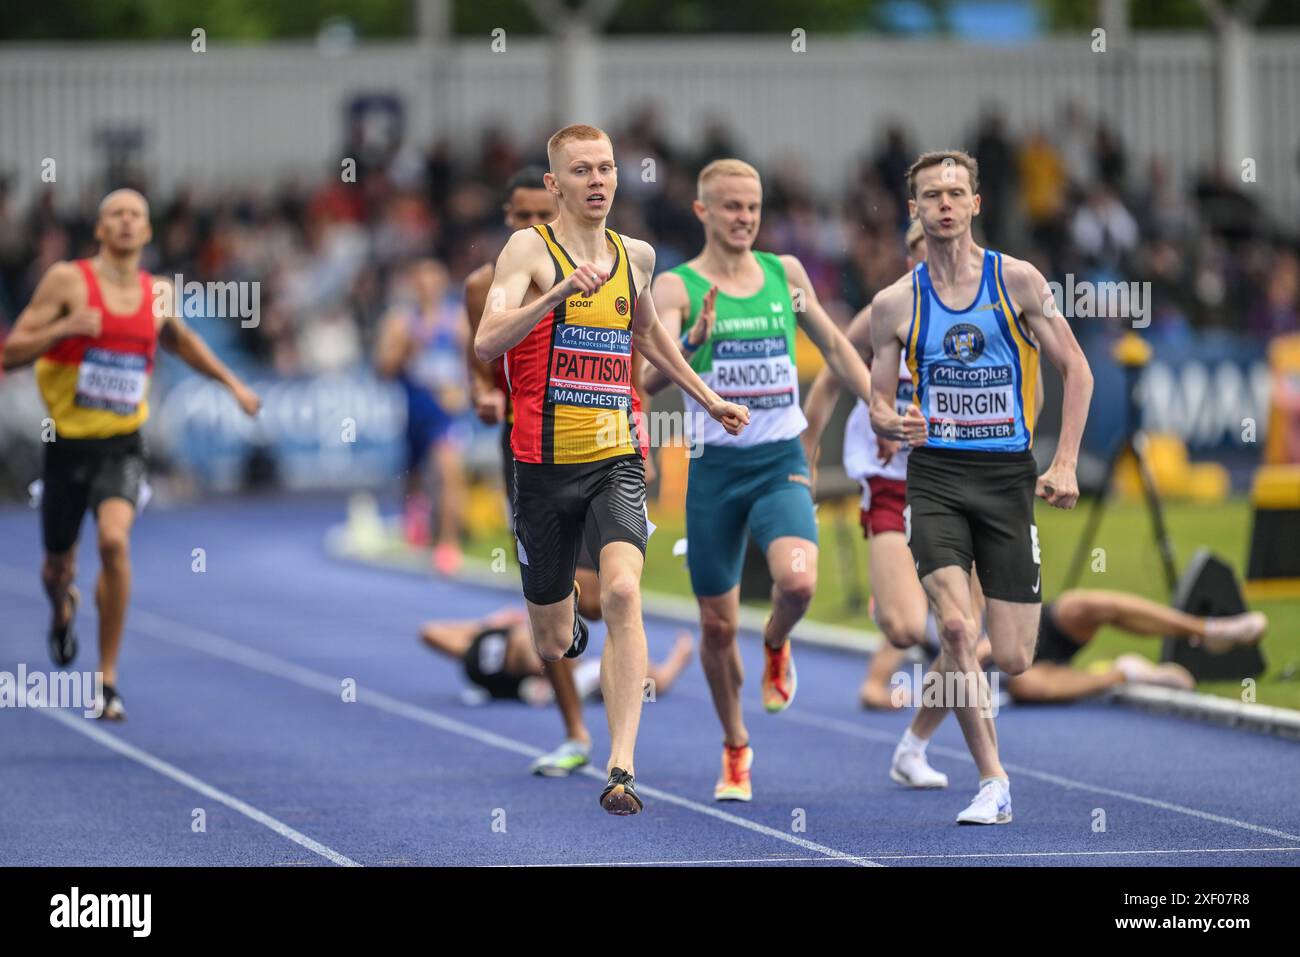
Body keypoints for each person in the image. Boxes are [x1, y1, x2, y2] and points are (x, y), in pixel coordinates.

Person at [474, 124, 749, 814]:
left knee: (625, 592)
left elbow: (649, 334)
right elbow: (487, 341)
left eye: (605, 169)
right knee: (552, 638)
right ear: (554, 184)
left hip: (615, 458)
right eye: (581, 170)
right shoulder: (527, 251)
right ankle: (565, 626)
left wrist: (709, 397)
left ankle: (621, 765)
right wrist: (554, 296)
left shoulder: (638, 257)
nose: (596, 180)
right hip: (540, 465)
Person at [868, 149, 1094, 824]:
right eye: (931, 194)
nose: (944, 203)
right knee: (958, 627)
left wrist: (1067, 463)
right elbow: (877, 402)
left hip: (1006, 478)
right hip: (935, 477)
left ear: (975, 204)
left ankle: (912, 741)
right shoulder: (893, 304)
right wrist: (894, 418)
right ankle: (993, 780)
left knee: (1015, 655)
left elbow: (1076, 371)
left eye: (955, 192)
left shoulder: (1018, 281)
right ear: (914, 209)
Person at [644, 158, 876, 803]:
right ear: (703, 212)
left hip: (778, 462)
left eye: (752, 207)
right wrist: (690, 340)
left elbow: (833, 345)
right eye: (730, 207)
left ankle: (776, 641)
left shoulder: (785, 274)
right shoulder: (676, 288)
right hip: (715, 471)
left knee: (798, 582)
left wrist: (877, 405)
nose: (744, 218)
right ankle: (736, 746)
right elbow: (639, 382)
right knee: (717, 630)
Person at [1, 188, 261, 720]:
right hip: (67, 446)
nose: (124, 222)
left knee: (115, 542)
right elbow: (10, 352)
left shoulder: (158, 292)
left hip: (123, 443)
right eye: (114, 214)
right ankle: (61, 607)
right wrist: (62, 329)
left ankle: (108, 680)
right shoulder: (68, 281)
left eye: (135, 215)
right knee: (56, 569)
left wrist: (233, 385)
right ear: (99, 229)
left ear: (146, 232)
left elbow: (183, 341)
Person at [464, 167, 659, 778]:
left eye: (536, 216)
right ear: (508, 220)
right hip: (529, 446)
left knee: (611, 595)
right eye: (518, 219)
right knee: (553, 624)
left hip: (603, 441)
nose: (530, 229)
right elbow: (479, 359)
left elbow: (628, 348)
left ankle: (619, 750)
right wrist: (484, 395)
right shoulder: (486, 282)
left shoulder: (610, 262)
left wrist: (642, 409)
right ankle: (575, 727)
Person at [418, 608, 694, 763]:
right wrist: (485, 624)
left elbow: (430, 632)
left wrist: (488, 623)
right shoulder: (483, 661)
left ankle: (676, 659)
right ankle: (679, 657)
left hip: (545, 655)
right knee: (638, 675)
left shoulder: (494, 638)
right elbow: (429, 632)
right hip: (554, 672)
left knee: (638, 672)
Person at [374, 258, 468, 573]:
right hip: (414, 409)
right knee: (412, 475)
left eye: (433, 282)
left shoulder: (457, 321)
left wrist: (464, 391)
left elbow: (479, 362)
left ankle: (448, 542)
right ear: (414, 286)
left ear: (442, 285)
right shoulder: (401, 322)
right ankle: (416, 525)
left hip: (444, 413)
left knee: (449, 472)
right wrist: (407, 348)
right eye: (421, 283)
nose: (427, 289)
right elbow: (383, 370)